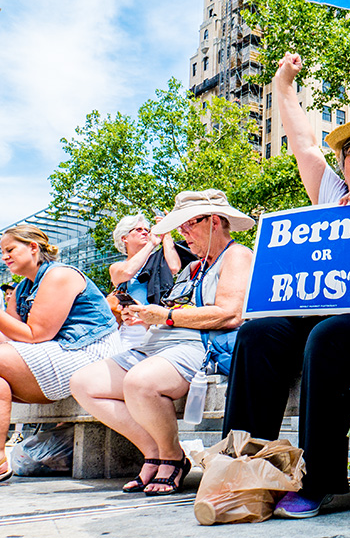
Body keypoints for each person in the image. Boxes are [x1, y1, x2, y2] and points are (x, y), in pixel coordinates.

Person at [221, 51, 350, 519]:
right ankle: (246, 469)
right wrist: (283, 86)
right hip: (318, 305)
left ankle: (319, 481)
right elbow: (303, 145)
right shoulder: (332, 195)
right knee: (256, 335)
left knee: (328, 337)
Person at [70, 189, 254, 495]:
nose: (182, 233)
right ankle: (155, 452)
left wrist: (164, 315)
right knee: (83, 383)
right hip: (158, 343)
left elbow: (229, 314)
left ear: (213, 221)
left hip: (199, 346)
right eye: (180, 226)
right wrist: (143, 316)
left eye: (188, 224)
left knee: (140, 382)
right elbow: (177, 312)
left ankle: (171, 457)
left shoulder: (237, 255)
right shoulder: (193, 266)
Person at [0, 225, 120, 482]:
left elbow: (36, 334)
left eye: (10, 249)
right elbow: (8, 337)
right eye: (2, 252)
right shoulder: (21, 289)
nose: (4, 257)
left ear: (33, 247)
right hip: (53, 353)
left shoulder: (60, 275)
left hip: (89, 354)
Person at [109, 214, 194, 349]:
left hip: (159, 326)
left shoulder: (158, 260)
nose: (144, 232)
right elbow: (128, 272)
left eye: (147, 230)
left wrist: (166, 233)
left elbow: (174, 267)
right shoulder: (117, 267)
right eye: (138, 229)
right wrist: (151, 244)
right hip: (132, 329)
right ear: (124, 238)